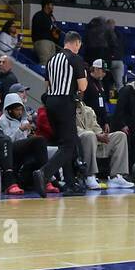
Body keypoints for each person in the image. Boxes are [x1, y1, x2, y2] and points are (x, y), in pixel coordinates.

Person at [37, 29, 88, 196]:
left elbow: (47, 84)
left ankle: (70, 183)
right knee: (68, 144)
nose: (79, 48)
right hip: (65, 101)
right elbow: (82, 87)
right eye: (79, 45)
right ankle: (44, 173)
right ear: (76, 43)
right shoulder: (75, 58)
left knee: (65, 143)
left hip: (50, 102)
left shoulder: (52, 59)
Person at [74, 97, 134, 189]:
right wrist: (96, 135)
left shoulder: (88, 109)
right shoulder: (66, 109)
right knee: (89, 135)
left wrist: (102, 135)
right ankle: (89, 176)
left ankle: (116, 177)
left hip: (95, 141)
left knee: (120, 136)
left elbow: (95, 126)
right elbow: (73, 130)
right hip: (79, 144)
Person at [30, 0, 60, 65]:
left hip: (51, 42)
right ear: (46, 6)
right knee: (45, 62)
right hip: (42, 41)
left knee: (52, 64)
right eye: (51, 5)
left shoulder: (50, 17)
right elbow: (39, 29)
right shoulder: (39, 15)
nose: (52, 7)